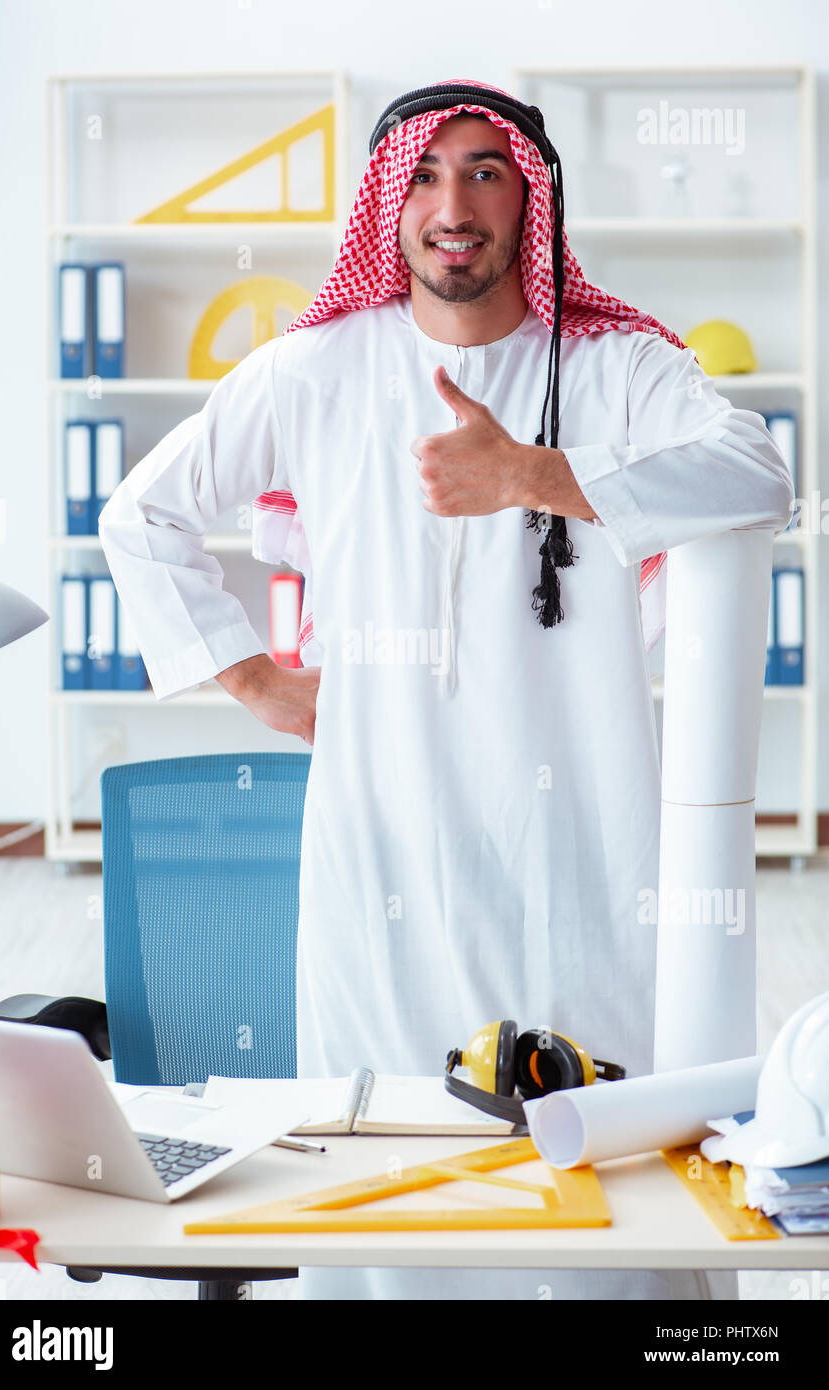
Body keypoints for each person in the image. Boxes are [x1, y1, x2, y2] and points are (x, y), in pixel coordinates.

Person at [99, 79, 794, 1300]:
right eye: (423, 175)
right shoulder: (314, 371)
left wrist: (536, 473)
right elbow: (139, 512)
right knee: (382, 1189)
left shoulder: (620, 366)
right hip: (384, 861)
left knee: (604, 1194)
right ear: (387, 206)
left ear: (531, 196)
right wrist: (258, 679)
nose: (451, 204)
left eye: (484, 171)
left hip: (580, 855)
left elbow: (757, 472)